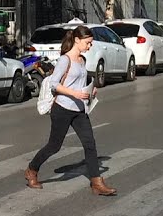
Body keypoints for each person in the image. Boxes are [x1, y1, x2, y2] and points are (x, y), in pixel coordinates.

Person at [24, 25, 117, 196]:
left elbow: (81, 82)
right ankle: (32, 169)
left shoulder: (82, 60)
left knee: (90, 144)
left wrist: (90, 90)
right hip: (62, 109)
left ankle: (96, 182)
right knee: (54, 146)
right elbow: (54, 84)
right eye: (88, 43)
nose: (89, 46)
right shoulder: (65, 60)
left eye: (91, 43)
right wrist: (75, 93)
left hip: (79, 110)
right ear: (77, 40)